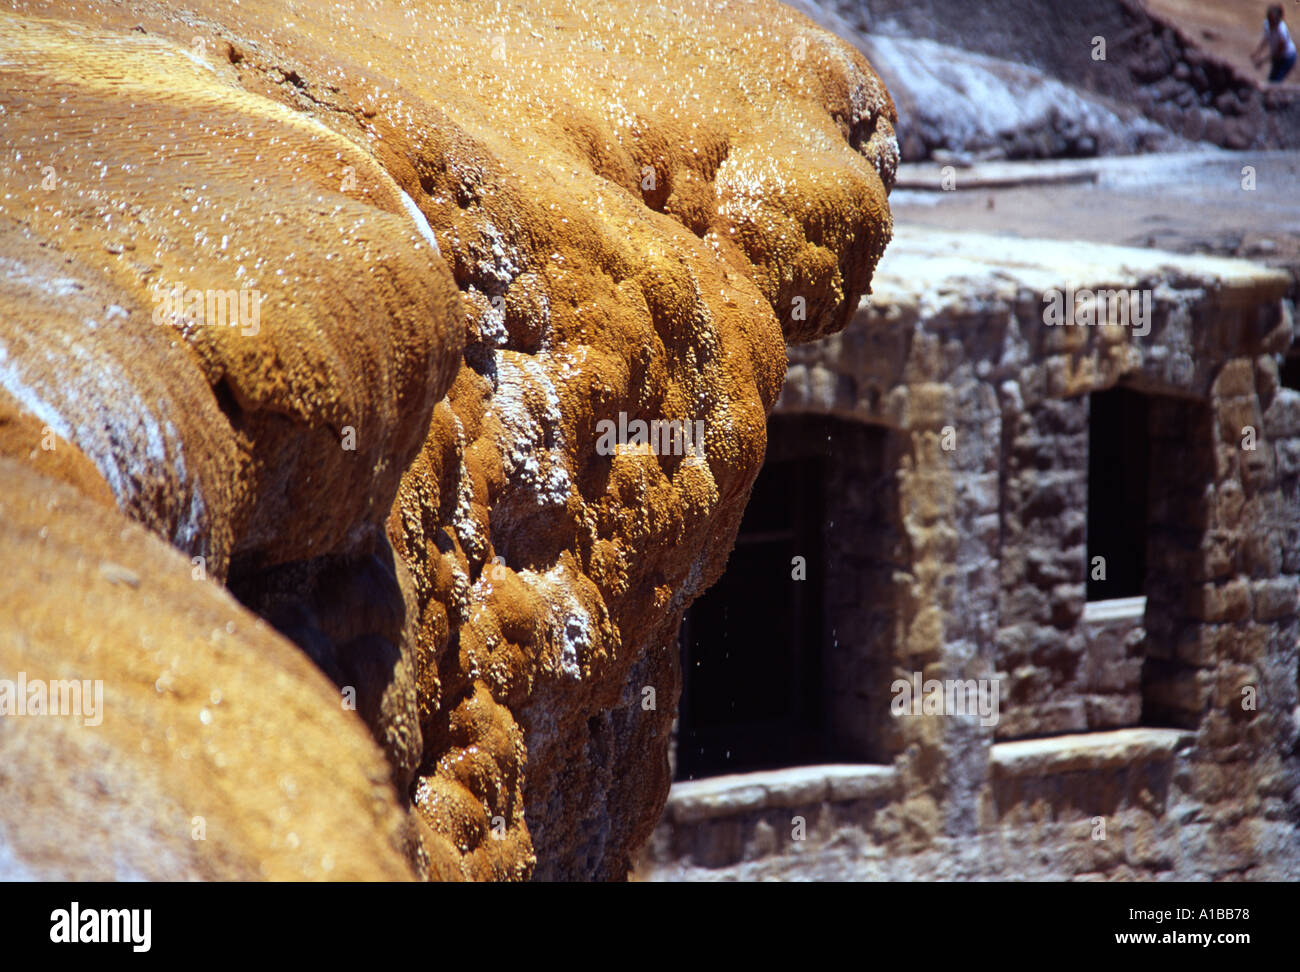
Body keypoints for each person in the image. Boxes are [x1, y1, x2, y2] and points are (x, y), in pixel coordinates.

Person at [1253, 4, 1297, 83]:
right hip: (1277, 57)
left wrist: (1262, 61)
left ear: (1277, 19)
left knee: (1276, 82)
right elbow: (1266, 38)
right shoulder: (1267, 24)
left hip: (1287, 58)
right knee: (1271, 81)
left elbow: (1278, 52)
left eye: (1272, 20)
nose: (1270, 22)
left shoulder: (1281, 31)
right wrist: (1257, 52)